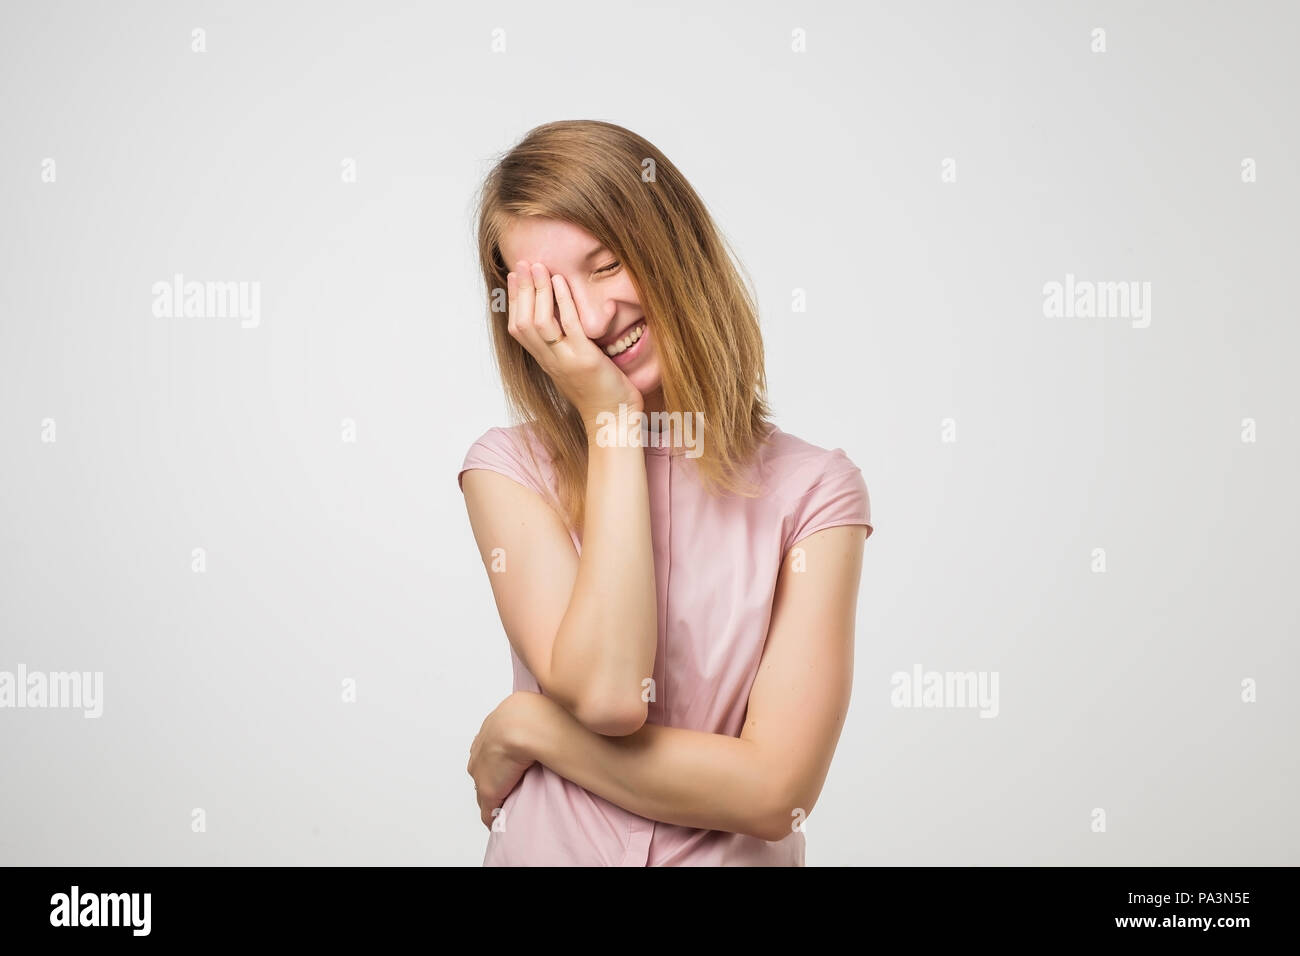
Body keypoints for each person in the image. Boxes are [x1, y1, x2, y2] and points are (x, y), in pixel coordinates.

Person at [460, 120, 873, 865]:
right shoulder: (509, 471)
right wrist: (611, 420)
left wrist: (531, 726)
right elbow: (612, 694)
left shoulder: (816, 493)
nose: (589, 318)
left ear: (671, 243)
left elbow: (775, 792)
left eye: (607, 265)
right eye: (550, 295)